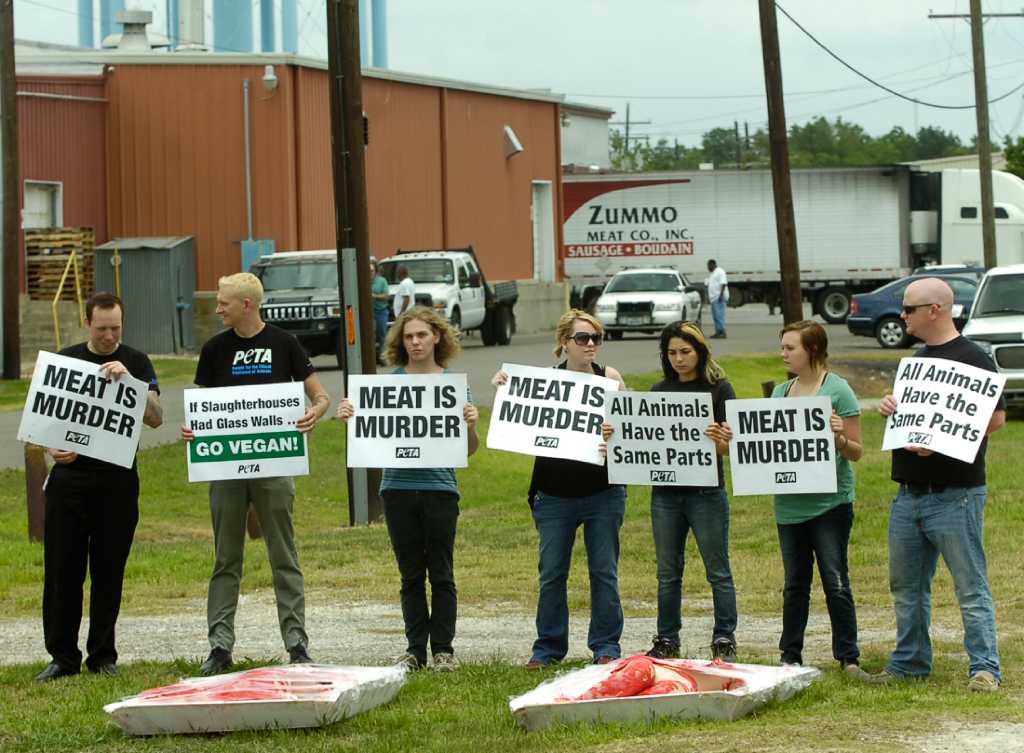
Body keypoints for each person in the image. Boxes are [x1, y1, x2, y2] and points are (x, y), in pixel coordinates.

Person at [182, 272, 331, 676]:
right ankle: (219, 646)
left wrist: (315, 410)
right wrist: (195, 429)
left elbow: (320, 394)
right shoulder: (214, 349)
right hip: (227, 467)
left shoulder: (284, 343)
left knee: (284, 554)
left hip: (274, 466)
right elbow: (204, 404)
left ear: (246, 304)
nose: (217, 308)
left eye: (223, 302)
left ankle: (297, 644)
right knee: (225, 557)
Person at [864, 278, 1005, 692]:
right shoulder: (917, 361)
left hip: (955, 494)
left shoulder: (975, 358)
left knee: (970, 585)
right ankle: (910, 662)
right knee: (906, 587)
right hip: (908, 492)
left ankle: (985, 668)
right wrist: (892, 406)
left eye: (909, 309)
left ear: (935, 310)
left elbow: (995, 419)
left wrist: (939, 446)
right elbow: (913, 413)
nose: (902, 315)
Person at [337, 307, 479, 672]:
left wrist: (471, 426)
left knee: (442, 573)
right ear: (401, 342)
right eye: (409, 336)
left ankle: (443, 650)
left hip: (440, 489)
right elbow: (369, 439)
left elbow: (468, 449)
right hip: (397, 489)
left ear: (437, 338)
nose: (415, 342)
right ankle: (415, 650)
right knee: (411, 574)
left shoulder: (454, 384)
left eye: (422, 335)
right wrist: (351, 416)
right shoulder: (385, 385)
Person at [36, 292, 163, 681]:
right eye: (102, 328)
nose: (110, 336)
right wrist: (50, 451)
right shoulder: (66, 360)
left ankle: (102, 655)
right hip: (69, 483)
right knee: (62, 571)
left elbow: (157, 418)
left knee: (109, 570)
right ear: (87, 323)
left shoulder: (137, 361)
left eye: (116, 328)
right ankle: (62, 657)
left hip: (117, 482)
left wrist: (130, 382)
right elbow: (42, 426)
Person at [493, 310, 627, 668]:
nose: (590, 345)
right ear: (564, 342)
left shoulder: (610, 379)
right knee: (552, 573)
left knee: (604, 570)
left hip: (604, 491)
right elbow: (516, 421)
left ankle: (606, 646)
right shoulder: (541, 383)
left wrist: (616, 437)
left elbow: (630, 432)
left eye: (596, 338)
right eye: (582, 338)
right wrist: (505, 386)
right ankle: (548, 648)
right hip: (553, 493)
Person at [634, 321, 739, 661]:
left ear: (700, 351)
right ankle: (667, 638)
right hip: (665, 494)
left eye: (685, 351)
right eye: (672, 353)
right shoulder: (658, 389)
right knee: (667, 572)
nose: (679, 359)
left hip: (706, 493)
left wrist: (721, 441)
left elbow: (730, 449)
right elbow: (646, 442)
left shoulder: (720, 389)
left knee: (717, 570)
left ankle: (724, 637)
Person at [771, 320, 867, 678]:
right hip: (789, 505)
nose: (783, 353)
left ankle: (848, 656)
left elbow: (857, 453)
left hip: (830, 505)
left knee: (835, 580)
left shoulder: (838, 391)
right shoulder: (780, 393)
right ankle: (790, 655)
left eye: (789, 348)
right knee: (795, 583)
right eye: (782, 347)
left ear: (811, 350)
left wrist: (840, 438)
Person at [370, 260, 390, 366]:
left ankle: (383, 356)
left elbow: (386, 296)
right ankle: (371, 358)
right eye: (368, 271)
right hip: (369, 313)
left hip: (381, 311)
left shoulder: (382, 281)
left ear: (376, 271)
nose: (370, 273)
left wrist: (374, 296)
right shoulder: (363, 281)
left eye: (372, 271)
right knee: (370, 335)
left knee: (382, 334)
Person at [705, 259, 729, 339]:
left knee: (719, 316)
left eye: (708, 266)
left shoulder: (720, 271)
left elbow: (723, 283)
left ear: (713, 265)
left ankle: (722, 332)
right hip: (714, 298)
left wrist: (721, 295)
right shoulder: (713, 273)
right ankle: (718, 332)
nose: (708, 267)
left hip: (718, 297)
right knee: (715, 316)